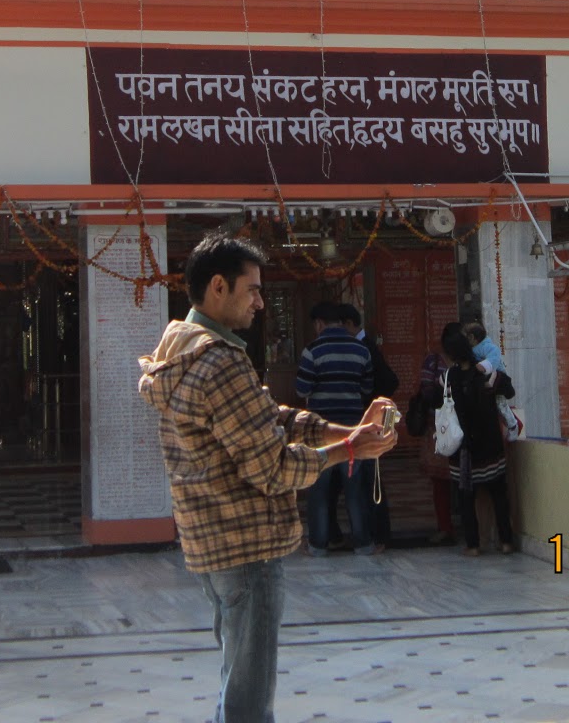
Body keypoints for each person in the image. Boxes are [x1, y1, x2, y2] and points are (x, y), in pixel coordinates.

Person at [138, 232, 398, 723]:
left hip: (212, 542)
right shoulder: (219, 361)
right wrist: (350, 450)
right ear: (219, 287)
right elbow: (272, 468)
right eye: (253, 290)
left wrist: (343, 431)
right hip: (246, 546)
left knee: (236, 679)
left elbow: (264, 416)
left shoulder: (181, 350)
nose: (260, 302)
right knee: (249, 700)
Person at [294, 301, 377, 556]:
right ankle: (363, 544)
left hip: (320, 431)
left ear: (319, 324)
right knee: (355, 488)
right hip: (353, 429)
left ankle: (318, 545)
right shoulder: (361, 350)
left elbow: (302, 389)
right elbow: (367, 387)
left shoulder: (312, 351)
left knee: (319, 488)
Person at [439, 321, 516, 557]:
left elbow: (433, 400)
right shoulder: (487, 373)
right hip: (490, 444)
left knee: (466, 499)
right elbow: (509, 391)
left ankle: (473, 545)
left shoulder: (448, 378)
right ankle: (506, 542)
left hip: (463, 447)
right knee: (499, 495)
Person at [345, 303, 399, 548]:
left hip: (370, 422)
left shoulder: (365, 347)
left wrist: (373, 406)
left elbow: (389, 381)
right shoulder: (362, 345)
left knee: (371, 479)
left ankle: (379, 536)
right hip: (364, 420)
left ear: (349, 324)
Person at [416, 345, 455, 545]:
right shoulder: (433, 362)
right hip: (439, 427)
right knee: (441, 482)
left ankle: (460, 528)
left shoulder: (471, 362)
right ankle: (445, 526)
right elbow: (427, 394)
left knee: (460, 482)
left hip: (458, 427)